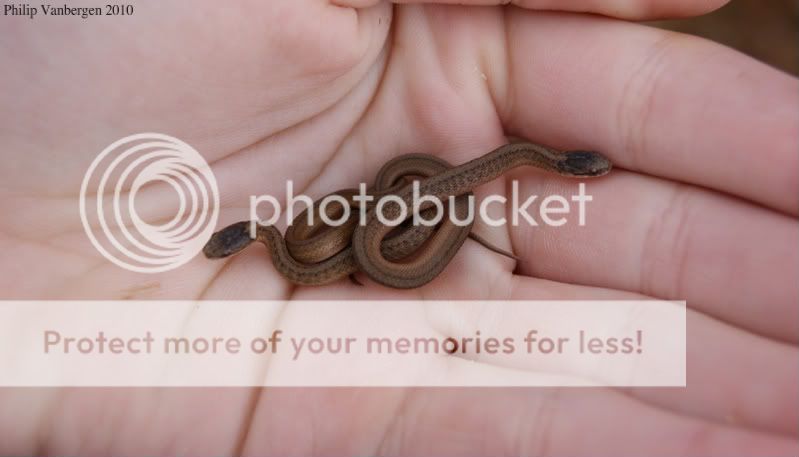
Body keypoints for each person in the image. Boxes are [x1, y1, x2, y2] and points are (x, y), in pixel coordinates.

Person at [0, 0, 796, 454]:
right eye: (575, 169)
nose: (571, 172)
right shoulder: (319, 234)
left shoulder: (504, 163)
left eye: (574, 171)